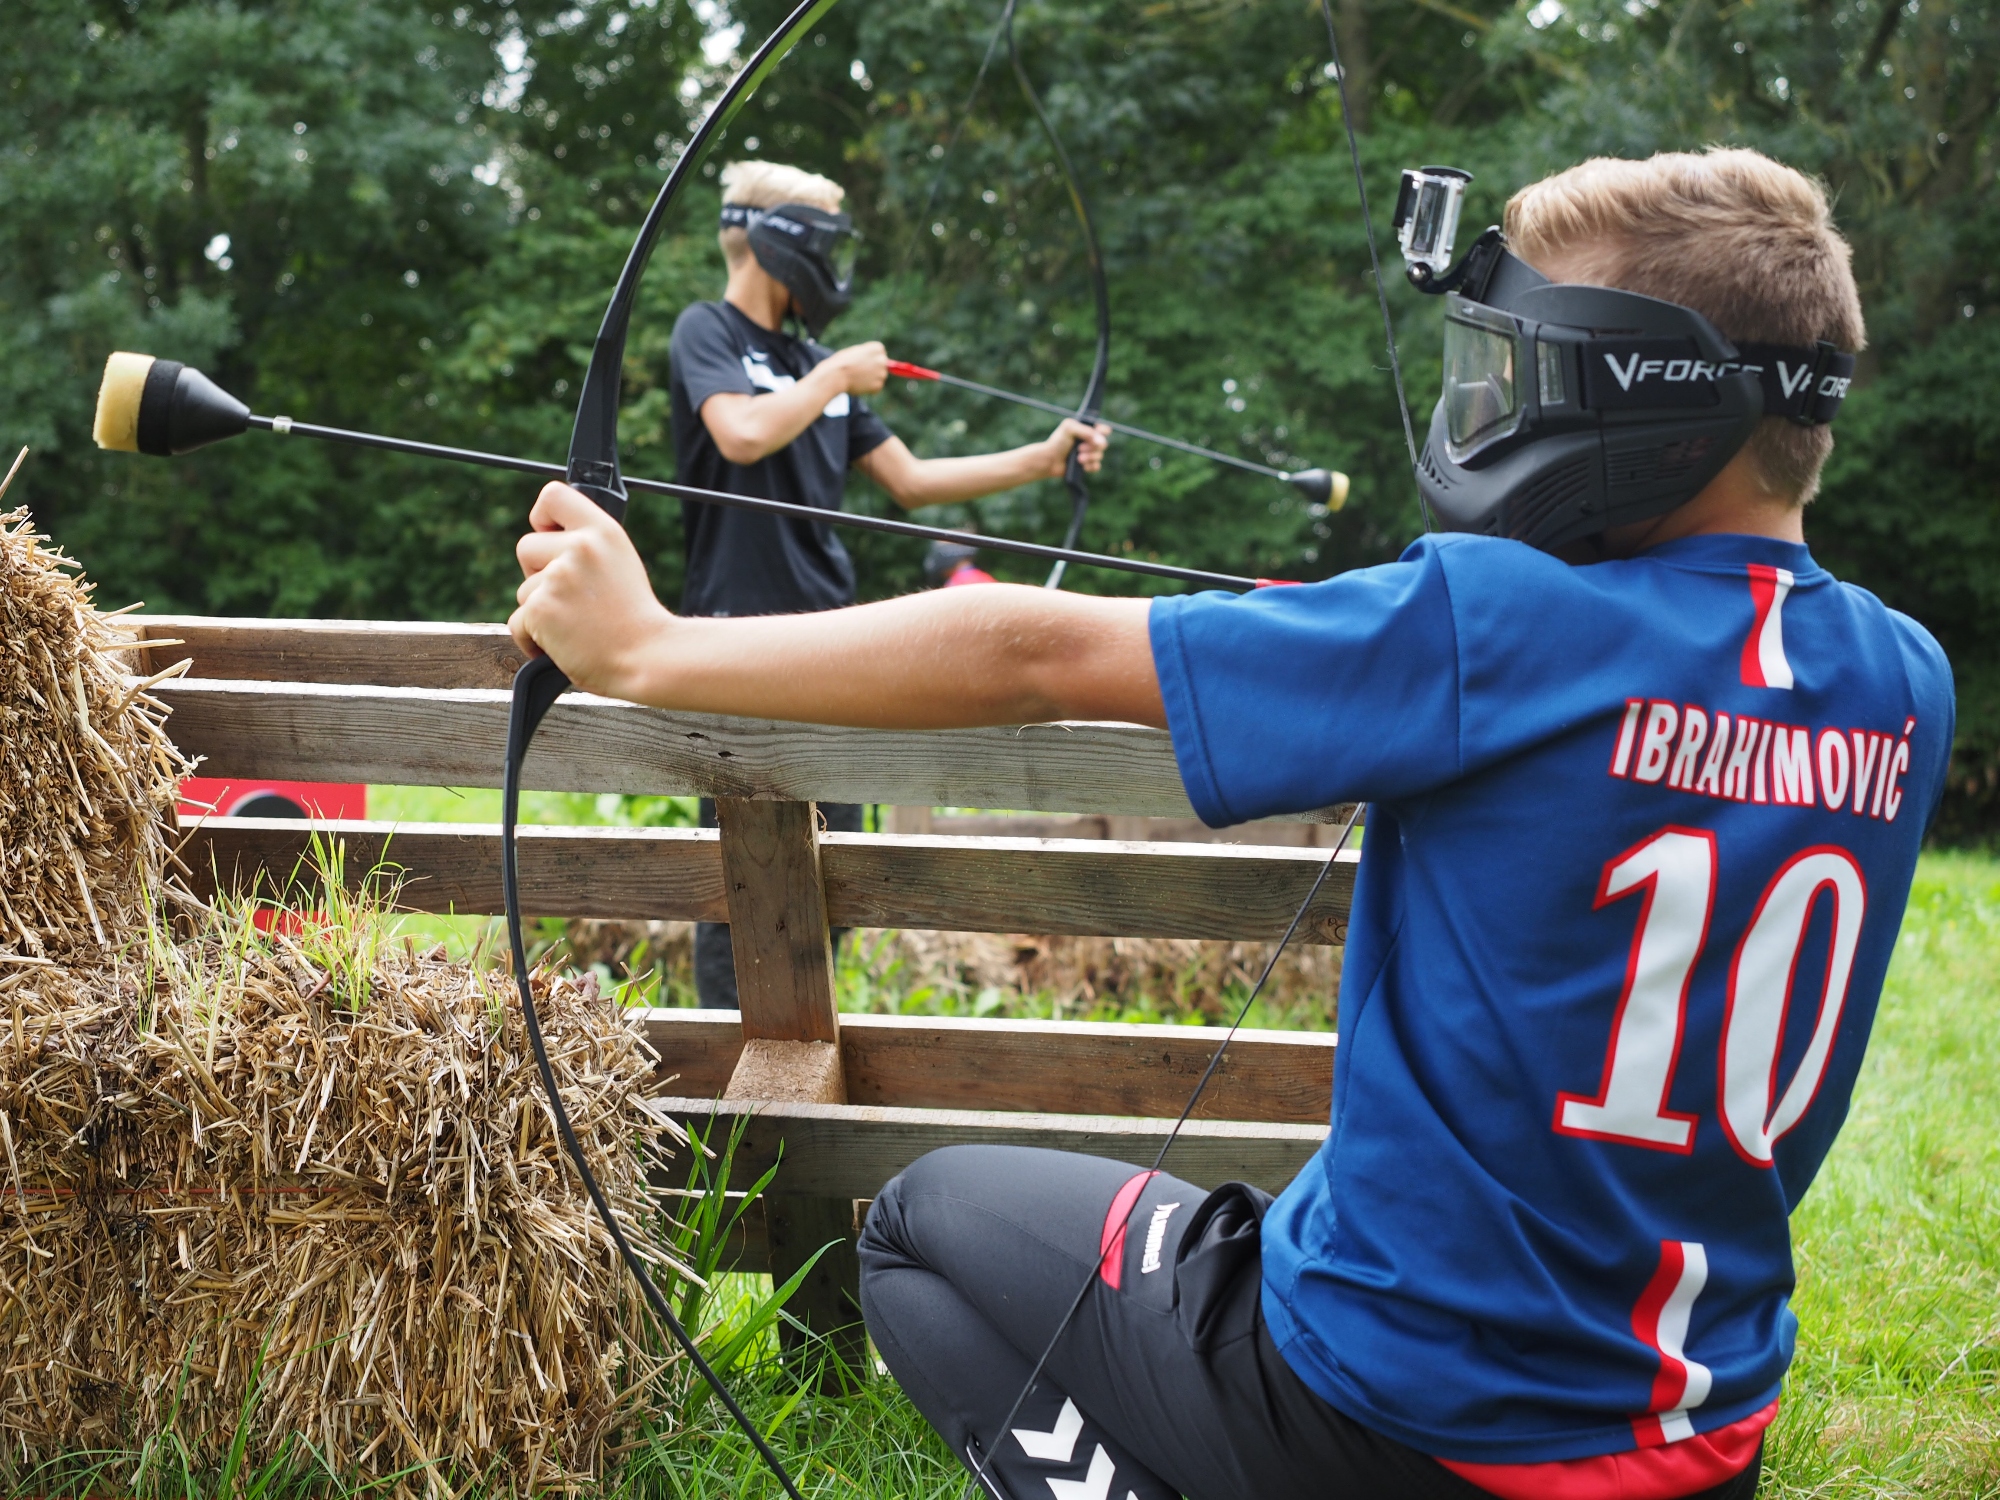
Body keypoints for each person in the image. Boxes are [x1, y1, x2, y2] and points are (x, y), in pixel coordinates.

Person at [510, 149, 1952, 1500]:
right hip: (1704, 1437)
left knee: (915, 1235)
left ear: (1639, 406)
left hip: (1386, 1415)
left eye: (1529, 374)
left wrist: (641, 647)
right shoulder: (1907, 683)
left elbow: (1028, 653)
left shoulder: (1493, 624)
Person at [669, 160, 1108, 1007]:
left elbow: (910, 480)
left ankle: (802, 1055)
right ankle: (735, 1083)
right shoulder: (708, 332)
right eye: (825, 237)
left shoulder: (812, 360)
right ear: (778, 242)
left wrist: (1043, 459)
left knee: (834, 868)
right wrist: (830, 378)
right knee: (743, 878)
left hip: (833, 642)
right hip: (736, 645)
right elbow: (741, 435)